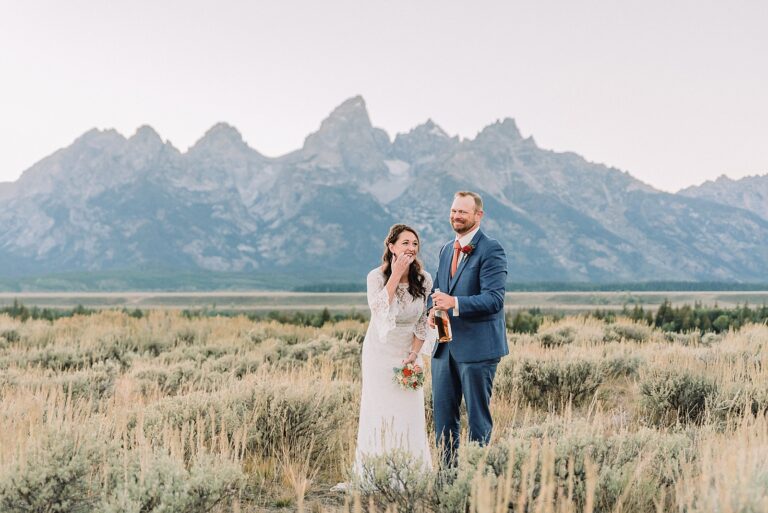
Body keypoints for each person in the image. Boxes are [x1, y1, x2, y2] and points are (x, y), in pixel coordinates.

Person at [334, 224, 432, 491]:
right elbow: (378, 309)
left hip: (408, 353)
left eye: (414, 243)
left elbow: (423, 322)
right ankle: (376, 473)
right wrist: (396, 274)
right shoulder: (375, 277)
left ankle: (411, 473)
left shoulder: (424, 279)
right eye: (405, 243)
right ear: (391, 247)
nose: (411, 248)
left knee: (409, 410)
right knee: (380, 409)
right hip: (379, 352)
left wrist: (414, 354)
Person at [428, 191, 508, 466]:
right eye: (453, 211)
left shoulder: (491, 249)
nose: (456, 216)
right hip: (444, 348)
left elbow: (494, 300)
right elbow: (436, 289)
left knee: (477, 420)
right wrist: (433, 309)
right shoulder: (445, 249)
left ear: (478, 215)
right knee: (443, 419)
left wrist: (455, 303)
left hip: (478, 350)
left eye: (463, 211)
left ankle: (476, 481)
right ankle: (446, 481)